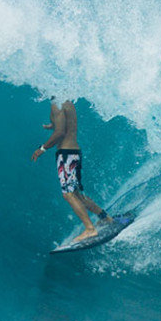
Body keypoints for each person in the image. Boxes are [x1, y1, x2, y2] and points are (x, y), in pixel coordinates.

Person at [30, 96, 114, 243]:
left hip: (66, 155)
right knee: (76, 194)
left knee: (68, 195)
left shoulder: (56, 104)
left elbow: (60, 133)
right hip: (74, 152)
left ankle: (90, 229)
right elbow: (68, 125)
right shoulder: (67, 102)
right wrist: (52, 125)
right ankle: (105, 218)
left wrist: (42, 149)